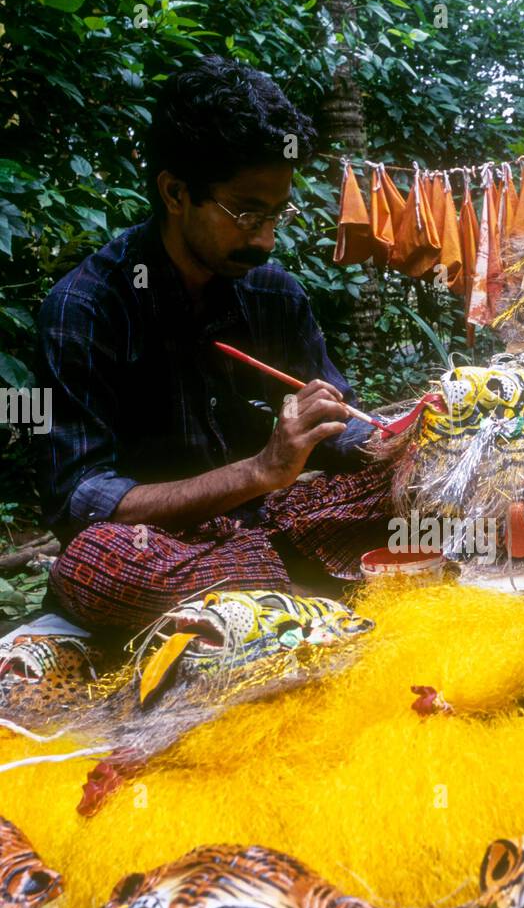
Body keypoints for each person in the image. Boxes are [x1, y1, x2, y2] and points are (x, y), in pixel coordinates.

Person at [36, 56, 391, 632]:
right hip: (163, 552)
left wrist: (400, 446)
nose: (267, 237)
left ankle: (269, 596)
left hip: (269, 529)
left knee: (418, 493)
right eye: (247, 211)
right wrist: (258, 471)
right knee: (91, 566)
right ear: (176, 193)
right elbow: (80, 502)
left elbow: (334, 424)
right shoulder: (85, 308)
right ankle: (301, 592)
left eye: (279, 211)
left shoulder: (276, 294)